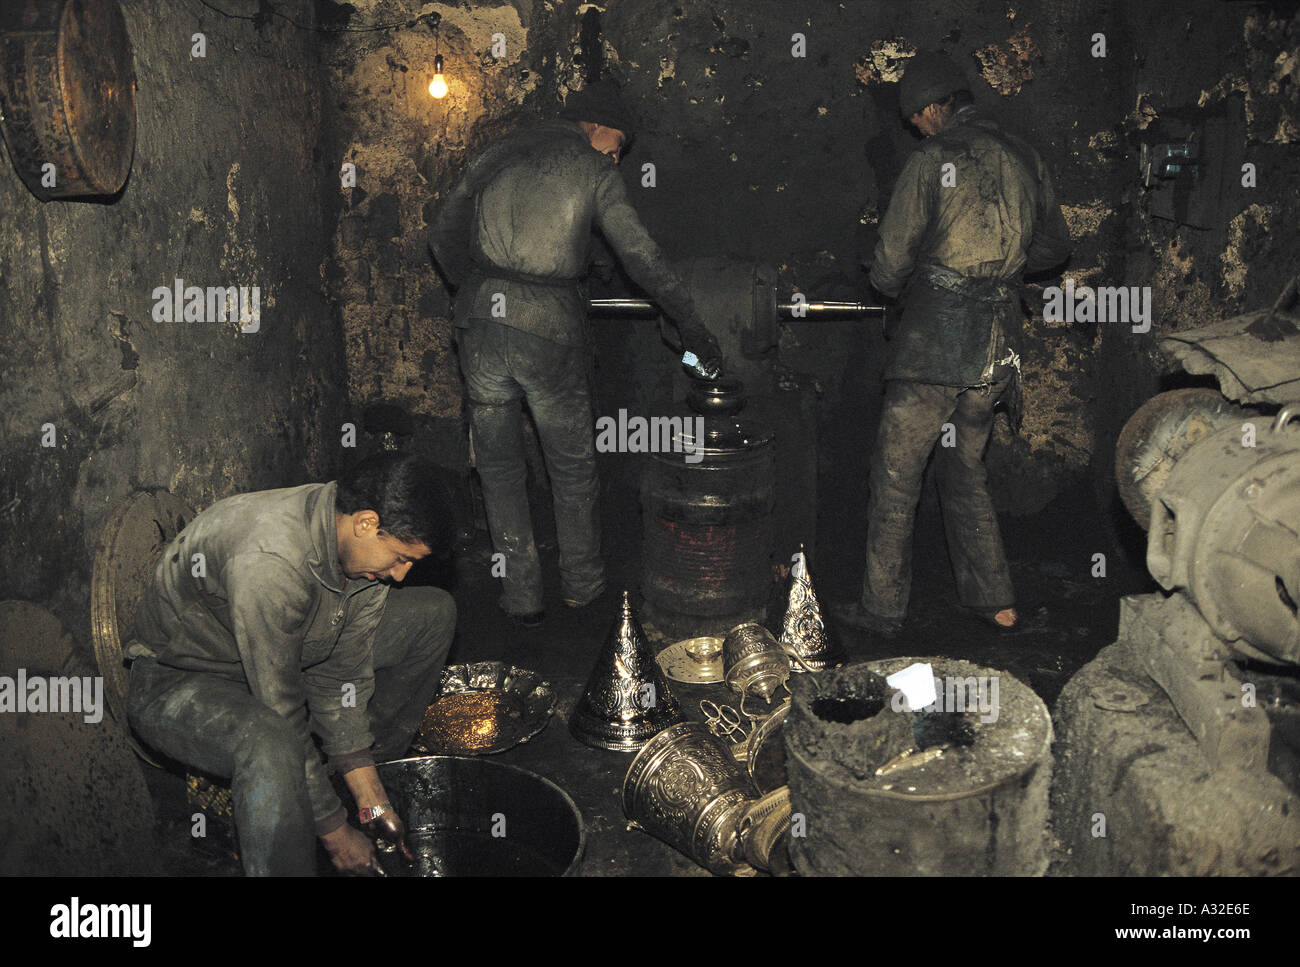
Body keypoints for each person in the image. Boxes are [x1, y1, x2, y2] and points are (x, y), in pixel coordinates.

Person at [429, 80, 722, 627]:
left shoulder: (501, 152)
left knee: (497, 466)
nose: (619, 155)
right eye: (618, 144)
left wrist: (475, 291)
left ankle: (520, 596)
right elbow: (642, 257)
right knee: (571, 466)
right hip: (548, 326)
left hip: (479, 325)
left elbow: (443, 230)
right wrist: (693, 326)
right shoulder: (591, 168)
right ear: (594, 124)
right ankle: (583, 589)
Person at [127, 452, 457, 875]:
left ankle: (341, 780)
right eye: (400, 557)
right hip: (182, 681)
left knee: (432, 614)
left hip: (287, 650)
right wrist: (335, 833)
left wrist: (372, 800)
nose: (401, 575)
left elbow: (341, 674)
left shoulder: (357, 554)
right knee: (270, 741)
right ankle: (292, 829)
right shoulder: (270, 561)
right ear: (367, 523)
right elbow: (281, 709)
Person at [834, 51, 1071, 638]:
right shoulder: (1025, 157)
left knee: (895, 474)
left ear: (940, 108)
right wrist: (1002, 270)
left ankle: (882, 610)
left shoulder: (933, 159)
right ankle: (996, 601)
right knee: (965, 469)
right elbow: (1055, 248)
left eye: (918, 115)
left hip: (936, 340)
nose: (915, 126)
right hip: (996, 349)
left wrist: (903, 282)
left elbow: (889, 262)